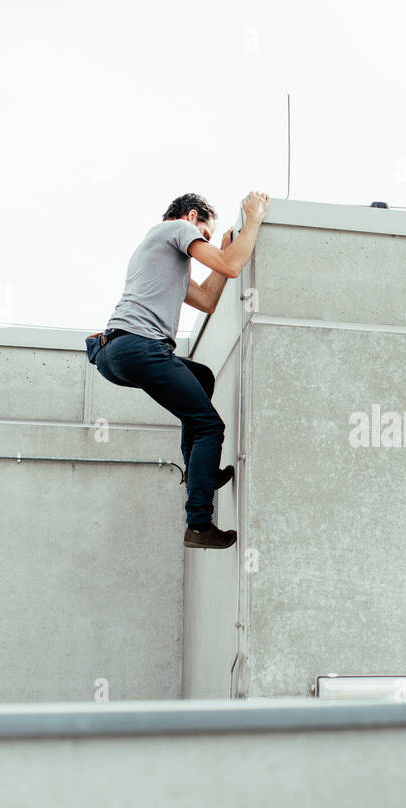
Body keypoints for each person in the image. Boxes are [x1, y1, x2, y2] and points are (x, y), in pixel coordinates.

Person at [95, 190, 270, 549]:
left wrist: (223, 250)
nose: (202, 244)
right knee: (209, 426)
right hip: (138, 345)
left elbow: (206, 299)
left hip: (116, 352)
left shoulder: (159, 253)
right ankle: (199, 524)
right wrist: (254, 219)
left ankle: (198, 473)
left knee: (202, 377)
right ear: (192, 217)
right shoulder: (174, 229)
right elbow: (231, 266)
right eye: (204, 235)